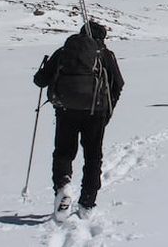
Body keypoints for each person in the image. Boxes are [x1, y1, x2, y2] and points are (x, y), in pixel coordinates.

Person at [33, 18, 124, 219]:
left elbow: (40, 80)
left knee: (64, 152)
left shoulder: (65, 51)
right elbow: (118, 83)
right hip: (96, 112)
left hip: (65, 110)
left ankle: (63, 186)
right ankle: (87, 203)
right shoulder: (105, 54)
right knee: (92, 156)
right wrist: (108, 109)